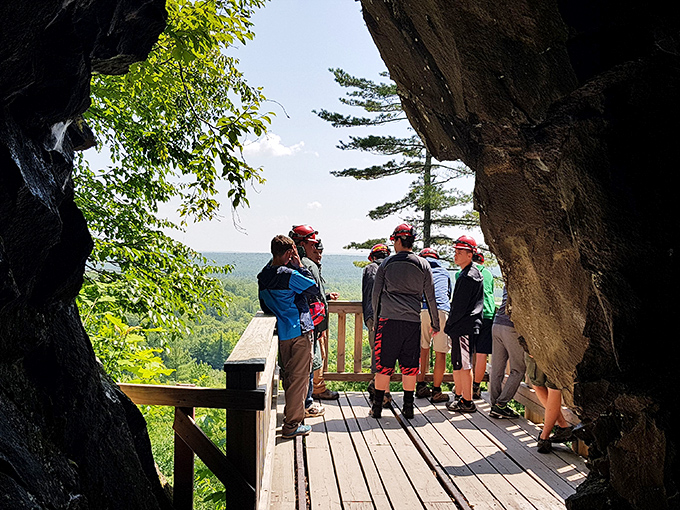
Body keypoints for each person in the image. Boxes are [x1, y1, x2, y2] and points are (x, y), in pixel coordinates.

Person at [370, 223, 440, 420]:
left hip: (389, 321)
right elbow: (431, 297)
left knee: (384, 366)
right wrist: (435, 323)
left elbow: (376, 295)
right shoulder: (423, 264)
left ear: (399, 241)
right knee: (410, 367)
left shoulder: (386, 264)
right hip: (412, 323)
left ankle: (377, 408)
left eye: (394, 240)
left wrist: (376, 319)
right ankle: (408, 408)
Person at [257, 235, 319, 439]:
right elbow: (313, 288)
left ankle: (292, 418)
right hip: (299, 331)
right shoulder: (288, 274)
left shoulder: (263, 275)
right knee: (299, 379)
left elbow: (264, 304)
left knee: (289, 377)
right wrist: (299, 265)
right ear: (289, 252)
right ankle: (292, 425)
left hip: (282, 333)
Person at [443, 235, 484, 414]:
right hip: (465, 326)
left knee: (464, 365)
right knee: (459, 364)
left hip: (463, 326)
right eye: (456, 252)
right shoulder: (471, 273)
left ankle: (467, 401)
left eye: (460, 252)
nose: (456, 255)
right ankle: (460, 396)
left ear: (470, 254)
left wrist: (448, 326)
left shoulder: (467, 277)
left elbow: (458, 307)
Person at [415, 247, 453, 403]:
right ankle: (436, 391)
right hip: (441, 310)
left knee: (422, 348)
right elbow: (448, 293)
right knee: (440, 352)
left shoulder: (418, 271)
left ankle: (420, 384)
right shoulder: (444, 272)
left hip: (422, 310)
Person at [524, 350, 574, 453]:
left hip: (559, 348)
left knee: (554, 388)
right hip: (535, 343)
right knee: (538, 385)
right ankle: (563, 427)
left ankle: (544, 437)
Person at [362, 243, 393, 407]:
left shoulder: (369, 269)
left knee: (378, 352)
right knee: (386, 354)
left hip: (372, 316)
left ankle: (381, 392)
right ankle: (382, 391)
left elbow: (366, 294)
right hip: (390, 315)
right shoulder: (391, 268)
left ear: (372, 257)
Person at [488, 286, 526, 419]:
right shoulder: (523, 281)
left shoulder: (508, 280)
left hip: (497, 323)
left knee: (497, 369)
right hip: (511, 327)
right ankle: (501, 404)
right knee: (519, 369)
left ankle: (495, 405)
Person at [469, 251, 495, 400]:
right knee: (481, 354)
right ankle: (476, 387)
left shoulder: (462, 272)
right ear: (482, 262)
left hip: (472, 314)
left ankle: (464, 386)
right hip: (489, 314)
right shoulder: (489, 274)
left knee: (467, 353)